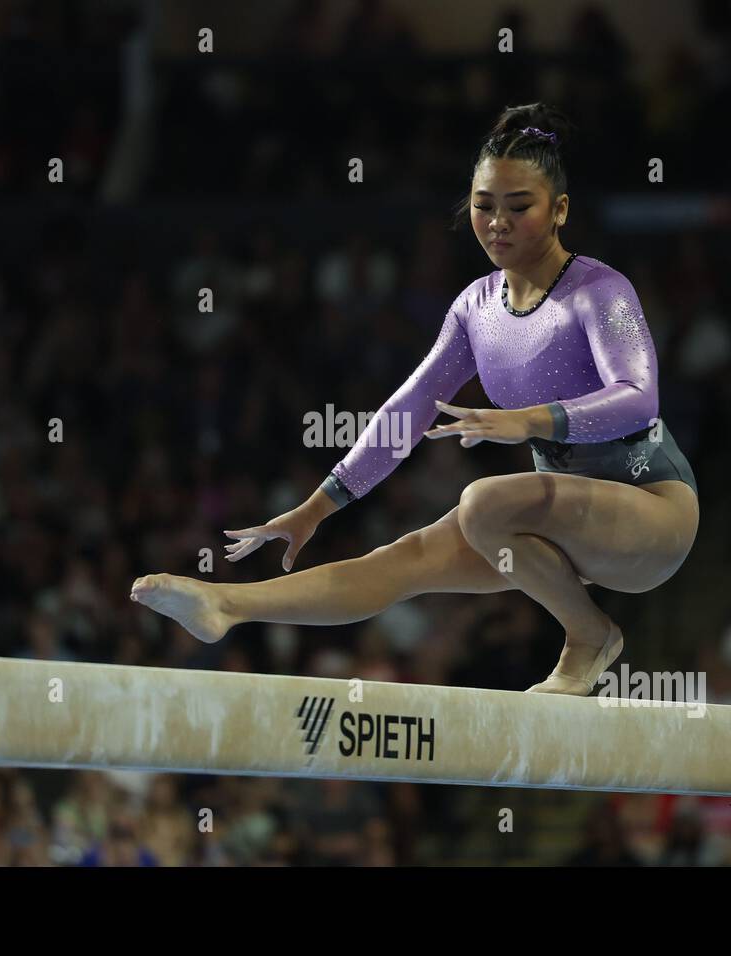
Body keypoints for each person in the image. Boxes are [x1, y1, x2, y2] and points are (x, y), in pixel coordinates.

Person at [131, 103, 699, 695]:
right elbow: (408, 409)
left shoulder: (599, 291)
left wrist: (531, 421)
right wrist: (318, 506)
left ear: (559, 209)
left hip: (652, 514)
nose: (498, 223)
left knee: (482, 504)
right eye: (483, 206)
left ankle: (589, 634)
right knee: (401, 561)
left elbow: (638, 399)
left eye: (519, 206)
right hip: (558, 524)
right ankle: (227, 605)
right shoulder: (476, 308)